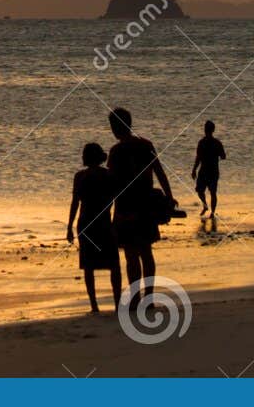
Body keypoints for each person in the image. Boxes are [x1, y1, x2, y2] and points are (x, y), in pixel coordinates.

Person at [106, 107, 175, 308]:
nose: (113, 130)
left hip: (126, 206)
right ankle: (149, 297)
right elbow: (160, 172)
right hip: (146, 204)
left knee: (131, 254)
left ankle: (136, 298)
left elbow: (112, 181)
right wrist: (169, 196)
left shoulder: (116, 151)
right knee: (146, 251)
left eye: (113, 126)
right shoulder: (146, 145)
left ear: (119, 126)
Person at [66, 142, 122, 311]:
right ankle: (118, 303)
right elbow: (116, 199)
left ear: (86, 158)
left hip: (85, 223)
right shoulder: (109, 175)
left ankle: (94, 305)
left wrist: (69, 226)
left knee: (88, 266)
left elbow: (75, 202)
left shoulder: (80, 176)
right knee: (113, 264)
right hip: (104, 223)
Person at [191, 120, 227, 219]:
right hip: (212, 171)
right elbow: (223, 156)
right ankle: (210, 210)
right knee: (210, 192)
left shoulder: (202, 142)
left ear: (205, 130)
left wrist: (194, 169)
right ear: (213, 130)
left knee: (201, 191)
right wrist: (194, 170)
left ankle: (207, 208)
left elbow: (198, 158)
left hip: (206, 170)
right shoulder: (216, 143)